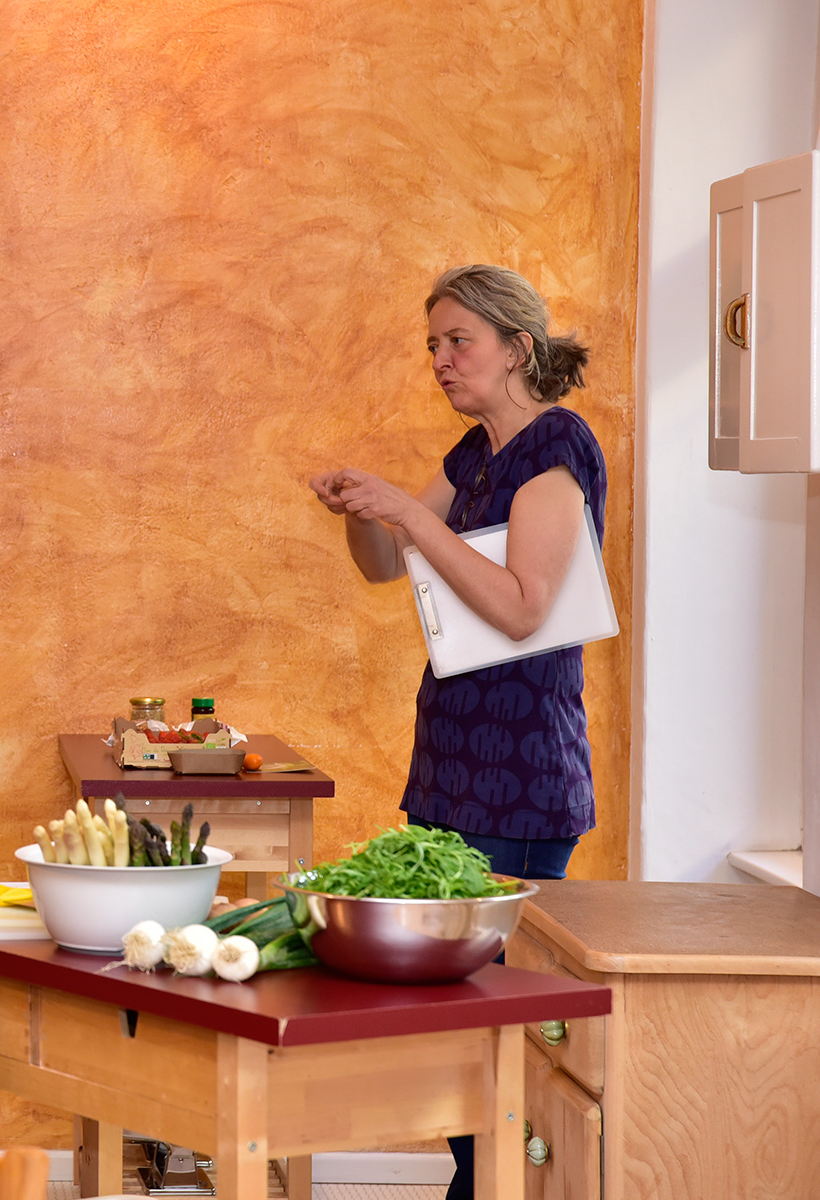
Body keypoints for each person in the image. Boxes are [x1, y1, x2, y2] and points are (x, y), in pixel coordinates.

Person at [309, 263, 605, 1199]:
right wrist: (367, 510)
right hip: (451, 768)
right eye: (432, 344)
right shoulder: (474, 454)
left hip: (520, 779)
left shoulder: (556, 451)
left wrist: (405, 511)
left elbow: (523, 609)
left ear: (519, 347)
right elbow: (383, 567)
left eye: (457, 341)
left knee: (495, 1033)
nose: (439, 360)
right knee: (455, 1032)